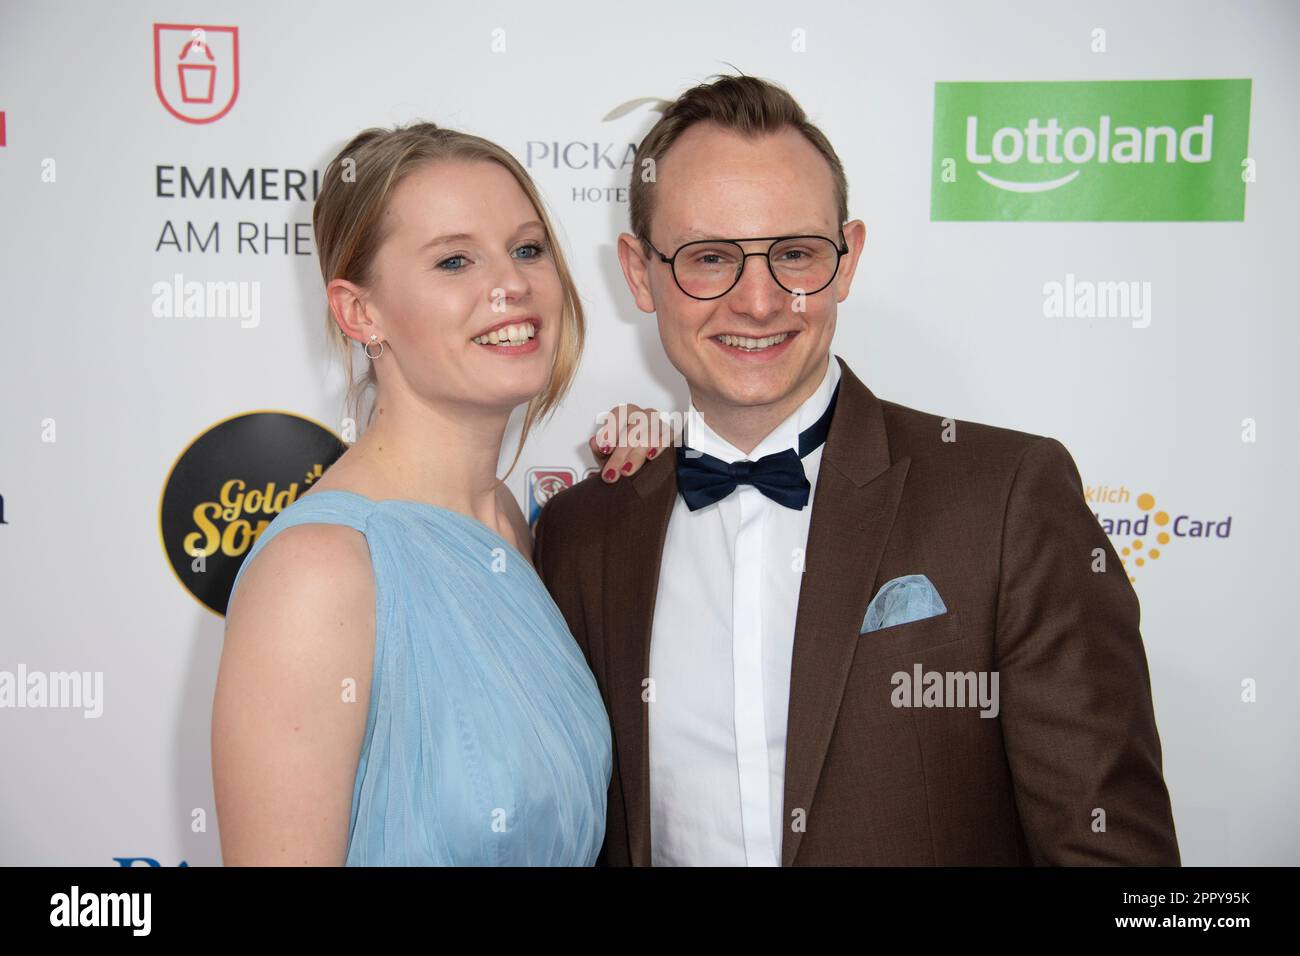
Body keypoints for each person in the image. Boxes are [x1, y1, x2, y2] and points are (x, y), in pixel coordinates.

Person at [534, 75, 1181, 866]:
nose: (760, 303)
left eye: (796, 254)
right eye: (709, 258)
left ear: (847, 260)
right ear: (640, 274)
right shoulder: (581, 533)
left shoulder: (1006, 498)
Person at [212, 122, 655, 865]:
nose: (511, 284)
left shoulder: (512, 528)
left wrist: (655, 491)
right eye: (454, 260)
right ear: (360, 313)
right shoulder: (318, 573)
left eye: (527, 249)